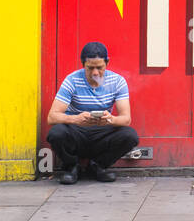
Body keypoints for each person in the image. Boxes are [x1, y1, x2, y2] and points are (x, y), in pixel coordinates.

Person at [46, 41, 139, 184]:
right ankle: (72, 167)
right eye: (90, 68)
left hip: (102, 132)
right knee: (56, 133)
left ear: (107, 63)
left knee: (130, 136)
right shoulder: (72, 80)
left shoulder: (117, 81)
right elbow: (52, 117)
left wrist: (110, 119)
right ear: (83, 64)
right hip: (77, 131)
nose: (95, 72)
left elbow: (126, 119)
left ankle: (98, 166)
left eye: (99, 67)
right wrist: (75, 119)